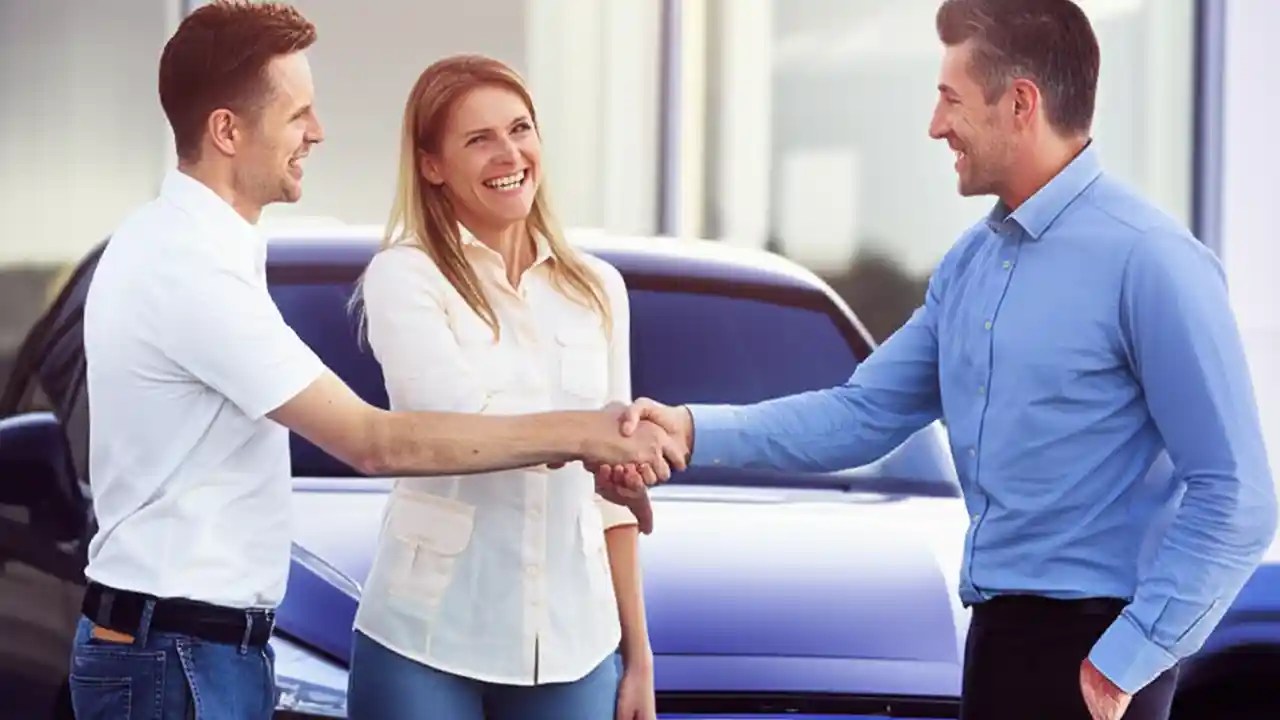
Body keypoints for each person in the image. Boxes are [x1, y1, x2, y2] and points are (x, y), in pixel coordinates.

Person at [606, 1, 1279, 719]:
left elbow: (1237, 498)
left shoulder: (1153, 261)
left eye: (950, 99)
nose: (935, 125)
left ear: (1021, 103)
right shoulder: (970, 267)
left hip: (1098, 655)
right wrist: (687, 428)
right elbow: (859, 415)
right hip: (989, 640)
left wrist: (1128, 660)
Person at [70, 3, 683, 719]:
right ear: (228, 131)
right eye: (298, 114)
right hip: (179, 653)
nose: (319, 132)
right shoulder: (189, 267)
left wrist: (602, 466)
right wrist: (589, 434)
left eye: (520, 129)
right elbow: (373, 440)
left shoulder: (203, 249)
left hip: (195, 648)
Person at [342, 54, 656, 720]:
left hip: (576, 642)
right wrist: (585, 436)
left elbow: (612, 495)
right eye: (478, 138)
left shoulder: (598, 289)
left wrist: (641, 655)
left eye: (520, 129)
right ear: (432, 165)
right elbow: (455, 429)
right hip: (428, 639)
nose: (508, 152)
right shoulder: (405, 278)